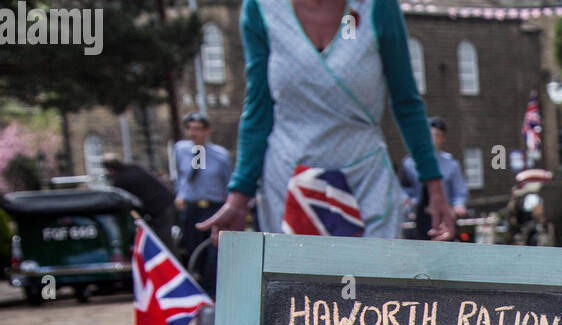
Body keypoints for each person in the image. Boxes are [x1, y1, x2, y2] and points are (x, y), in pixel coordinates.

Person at [199, 0, 453, 242]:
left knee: (368, 283)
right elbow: (258, 107)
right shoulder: (262, 8)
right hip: (287, 185)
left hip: (366, 181)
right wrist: (239, 196)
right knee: (294, 285)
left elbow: (406, 101)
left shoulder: (377, 6)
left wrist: (434, 187)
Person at [172, 113, 233, 267]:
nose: (193, 133)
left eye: (198, 129)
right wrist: (180, 194)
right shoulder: (180, 150)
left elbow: (229, 181)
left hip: (214, 206)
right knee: (192, 249)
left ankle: (211, 285)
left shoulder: (221, 155)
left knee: (214, 250)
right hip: (192, 207)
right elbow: (181, 176)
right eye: (190, 128)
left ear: (206, 131)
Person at [400, 116, 468, 240]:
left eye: (436, 135)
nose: (431, 138)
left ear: (443, 138)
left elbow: (459, 191)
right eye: (428, 134)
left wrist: (458, 205)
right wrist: (406, 199)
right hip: (418, 215)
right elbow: (405, 189)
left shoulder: (451, 164)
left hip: (445, 214)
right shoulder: (408, 162)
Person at [102, 155, 176, 246]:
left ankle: (171, 260)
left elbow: (128, 202)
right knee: (166, 239)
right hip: (168, 200)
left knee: (164, 241)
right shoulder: (134, 167)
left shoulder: (119, 180)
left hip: (159, 209)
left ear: (110, 169)